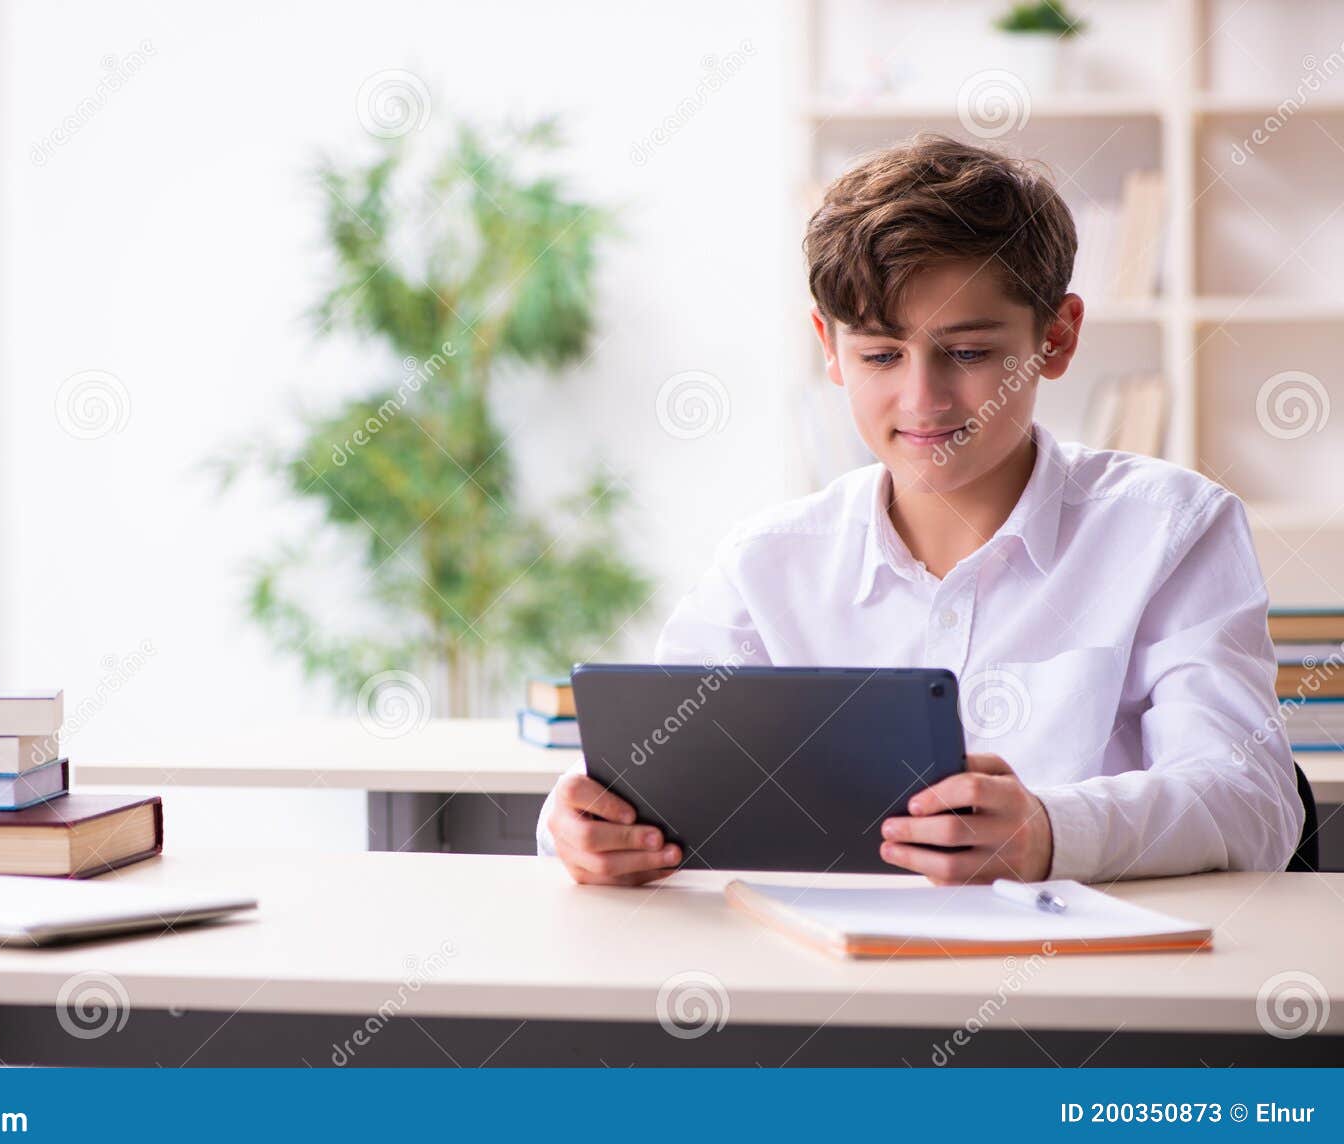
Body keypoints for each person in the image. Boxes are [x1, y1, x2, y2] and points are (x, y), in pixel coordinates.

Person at [537, 132, 1302, 887]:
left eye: (968, 353)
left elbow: (1252, 802)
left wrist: (1050, 834)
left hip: (1084, 983)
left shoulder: (1170, 527)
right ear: (828, 349)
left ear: (1058, 337)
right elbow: (640, 779)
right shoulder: (767, 562)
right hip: (821, 982)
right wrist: (578, 827)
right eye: (879, 355)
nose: (923, 399)